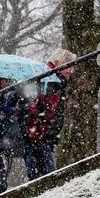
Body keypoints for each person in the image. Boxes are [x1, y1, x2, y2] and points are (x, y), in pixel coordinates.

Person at [20, 49, 75, 181]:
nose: (70, 70)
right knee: (44, 178)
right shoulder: (48, 80)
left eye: (72, 66)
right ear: (57, 63)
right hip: (37, 135)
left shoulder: (57, 82)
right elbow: (37, 107)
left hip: (43, 135)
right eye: (67, 65)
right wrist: (38, 130)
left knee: (44, 178)